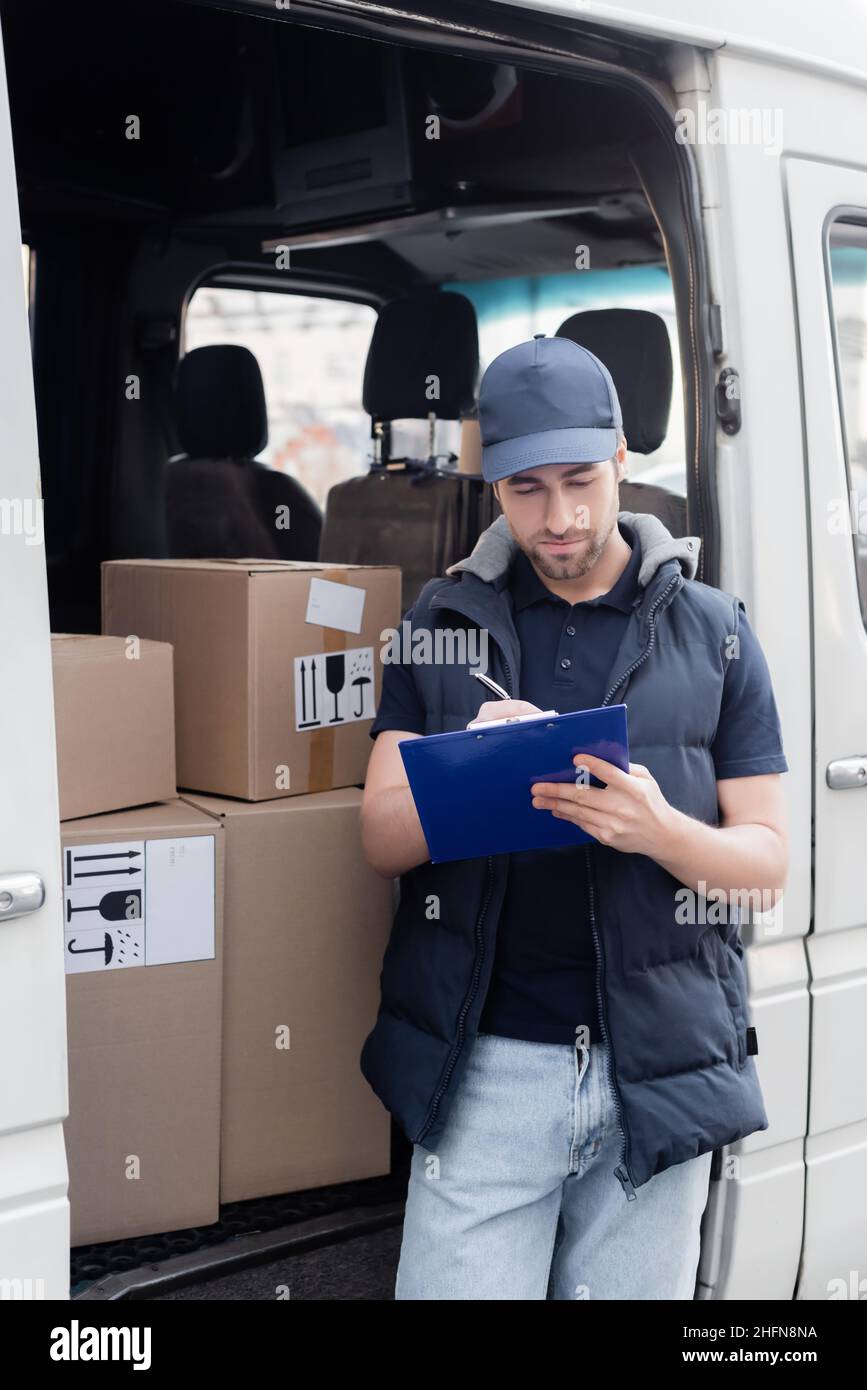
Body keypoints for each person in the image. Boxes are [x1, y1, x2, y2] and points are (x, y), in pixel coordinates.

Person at [359, 333, 789, 1300]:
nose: (559, 518)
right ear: (491, 488)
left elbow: (762, 863)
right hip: (487, 1071)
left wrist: (657, 831)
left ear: (622, 461)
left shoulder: (715, 630)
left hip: (660, 1066)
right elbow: (380, 839)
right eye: (525, 489)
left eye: (580, 480)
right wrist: (477, 770)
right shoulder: (442, 622)